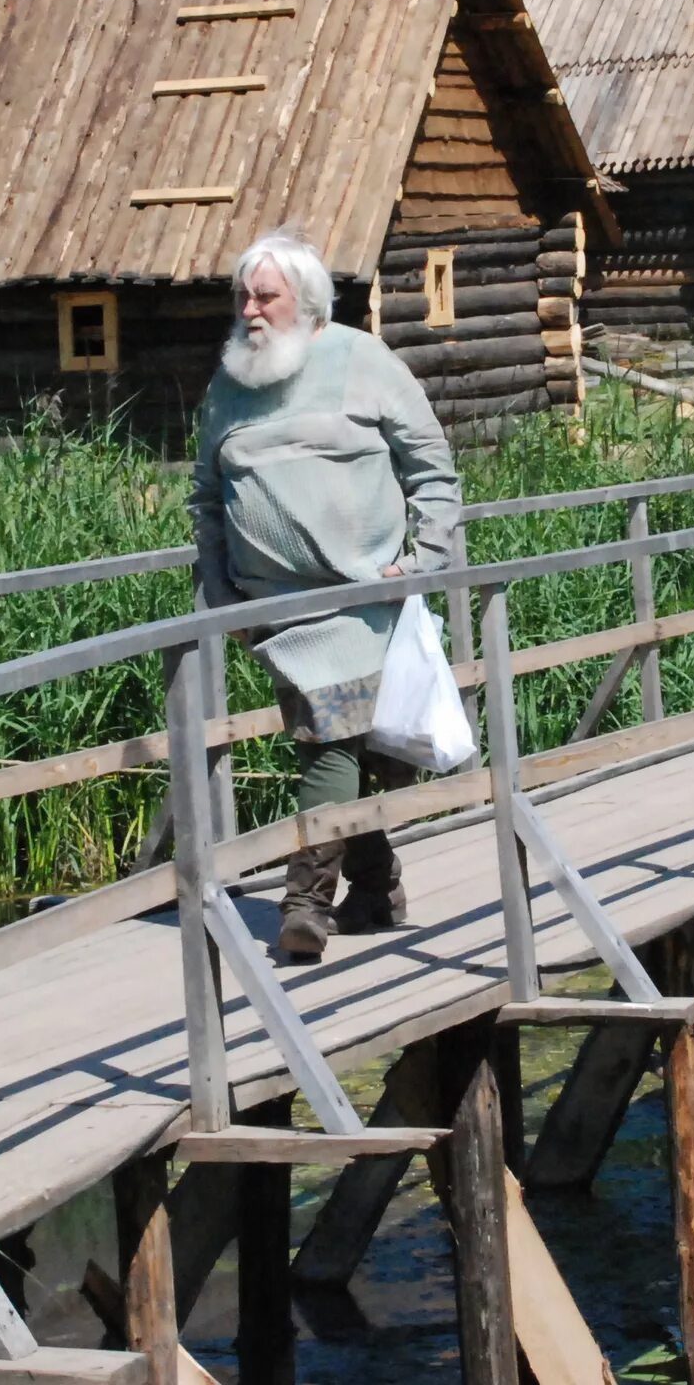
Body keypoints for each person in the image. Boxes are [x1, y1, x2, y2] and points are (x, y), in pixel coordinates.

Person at [189, 230, 462, 963]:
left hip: (364, 600)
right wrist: (220, 593)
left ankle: (304, 903)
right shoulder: (231, 381)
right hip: (274, 612)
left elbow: (432, 468)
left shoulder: (362, 360)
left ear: (305, 303)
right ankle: (375, 888)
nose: (249, 309)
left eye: (265, 295)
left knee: (328, 743)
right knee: (350, 745)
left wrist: (424, 559)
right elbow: (207, 498)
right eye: (243, 295)